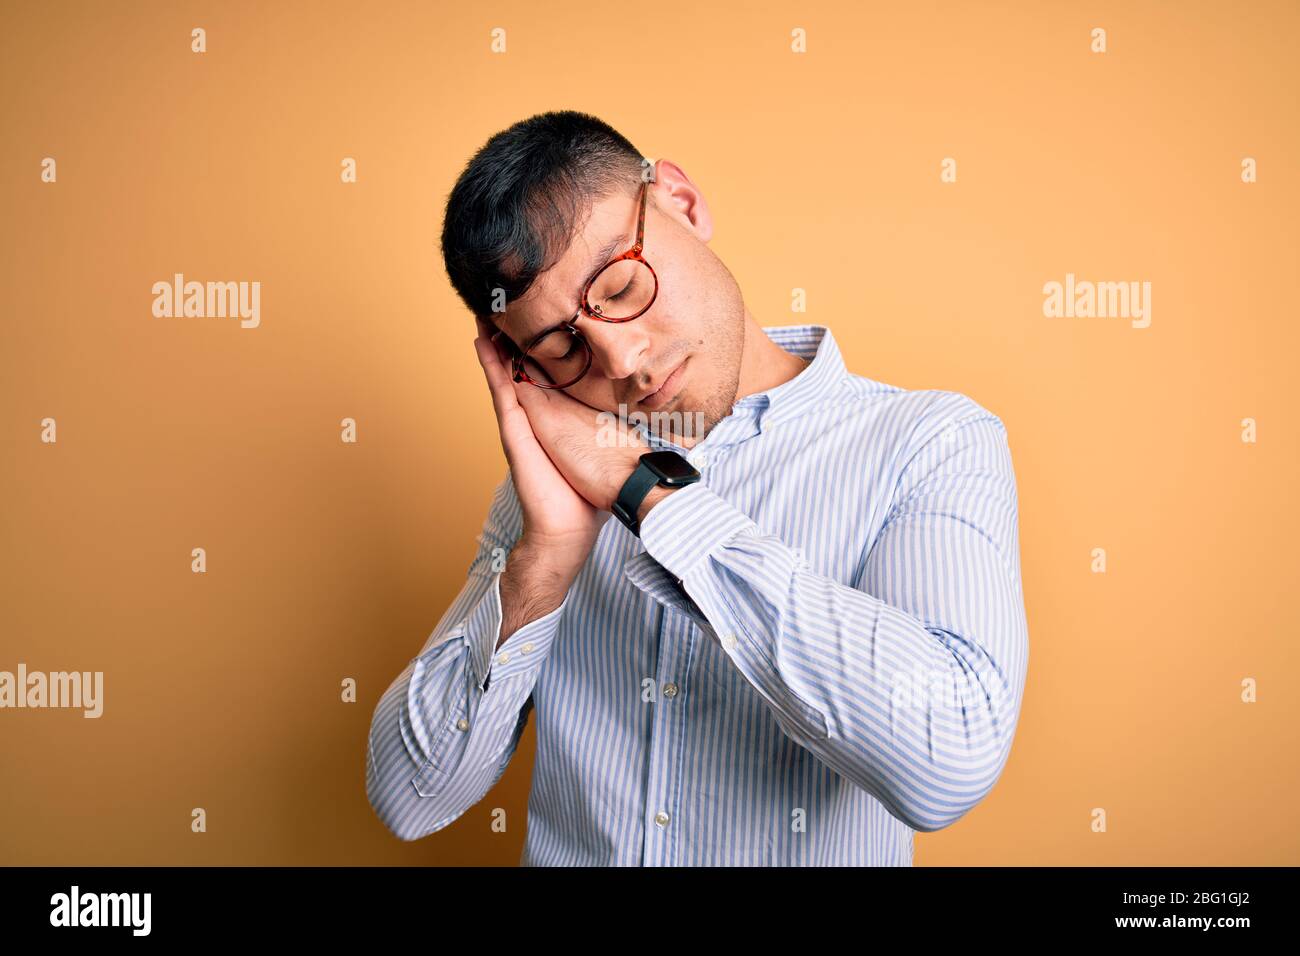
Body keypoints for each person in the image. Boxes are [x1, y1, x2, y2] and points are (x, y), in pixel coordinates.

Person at [365, 110, 1029, 866]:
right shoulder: (542, 498)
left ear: (682, 202)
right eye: (561, 346)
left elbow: (949, 763)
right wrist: (543, 560)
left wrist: (640, 489)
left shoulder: (930, 441)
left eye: (618, 286)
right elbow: (407, 798)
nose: (622, 360)